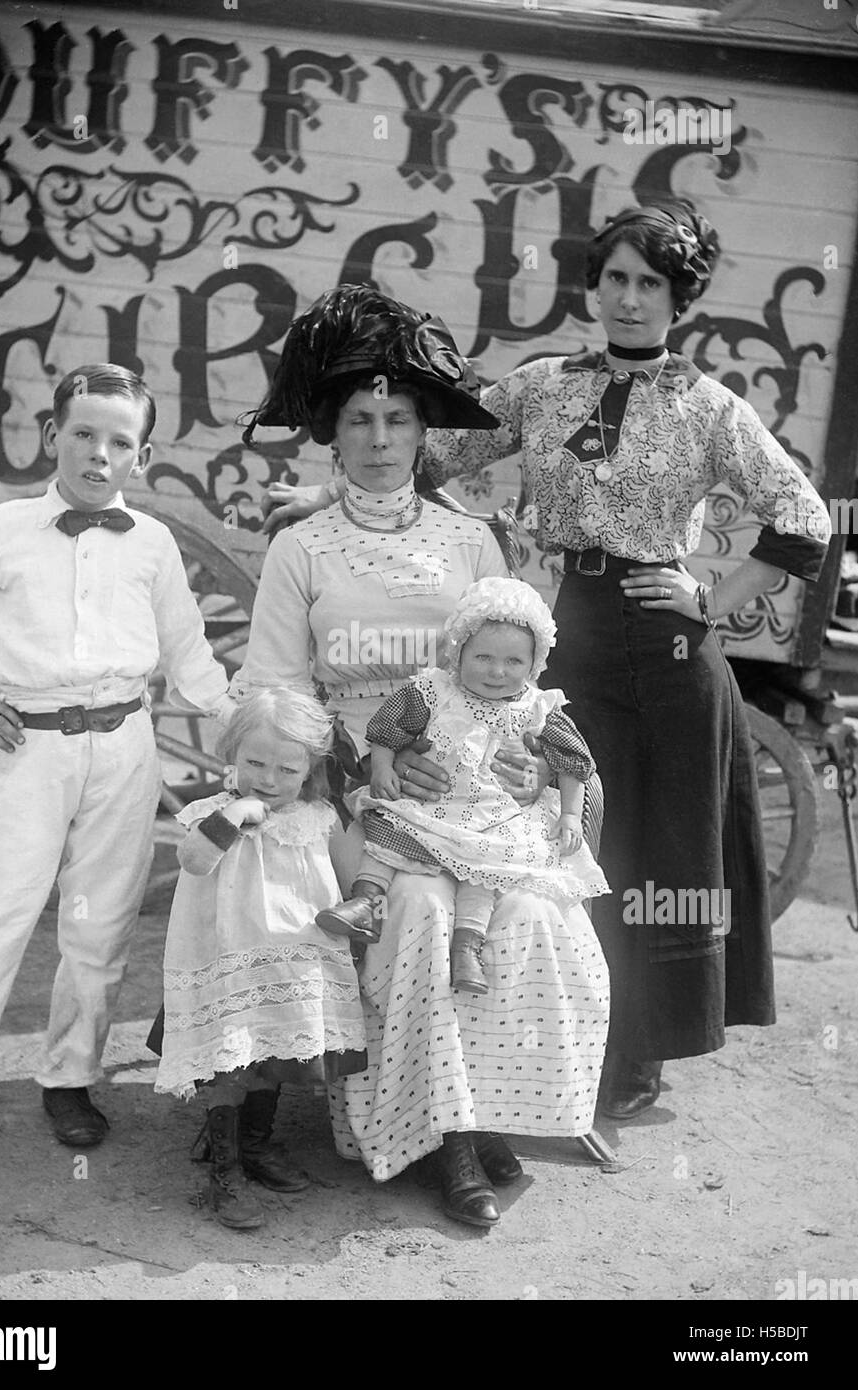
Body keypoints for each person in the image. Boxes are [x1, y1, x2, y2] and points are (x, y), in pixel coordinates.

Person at [265, 204, 832, 1121]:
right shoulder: (542, 386)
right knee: (572, 834)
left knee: (663, 850)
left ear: (678, 296)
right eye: (614, 278)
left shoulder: (708, 405)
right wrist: (326, 494)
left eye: (651, 282)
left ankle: (645, 1051)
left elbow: (801, 516)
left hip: (672, 641)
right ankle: (572, 1032)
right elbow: (424, 455)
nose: (630, 299)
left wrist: (711, 602)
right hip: (573, 632)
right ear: (593, 286)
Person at [235, 285, 610, 1227]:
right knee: (413, 905)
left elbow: (512, 675)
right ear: (332, 432)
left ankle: (481, 1115)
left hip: (478, 786)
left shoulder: (469, 540)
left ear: (419, 432)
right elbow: (273, 694)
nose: (376, 437)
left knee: (528, 904)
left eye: (395, 418)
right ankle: (436, 1142)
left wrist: (527, 767)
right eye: (357, 419)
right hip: (357, 785)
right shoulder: (302, 548)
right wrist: (362, 768)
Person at [0, 363, 235, 1180]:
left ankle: (70, 1078)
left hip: (125, 749)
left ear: (142, 455)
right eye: (82, 434)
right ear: (52, 436)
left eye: (118, 442)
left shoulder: (152, 545)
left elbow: (193, 662)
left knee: (100, 925)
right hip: (30, 750)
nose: (97, 455)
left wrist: (263, 738)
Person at [316, 576, 609, 995]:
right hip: (433, 803)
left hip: (495, 815)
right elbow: (388, 728)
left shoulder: (539, 707)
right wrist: (382, 766)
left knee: (486, 870)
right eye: (483, 657)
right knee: (393, 831)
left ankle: (468, 948)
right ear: (459, 652)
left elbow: (574, 762)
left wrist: (569, 815)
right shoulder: (434, 691)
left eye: (513, 662)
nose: (496, 671)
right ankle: (366, 902)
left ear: (534, 664)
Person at [150, 687, 367, 1230]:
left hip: (289, 962)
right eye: (254, 763)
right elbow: (195, 862)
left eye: (285, 769)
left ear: (311, 768)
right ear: (231, 753)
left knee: (272, 1058)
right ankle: (223, 1165)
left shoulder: (317, 818)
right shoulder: (212, 813)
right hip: (231, 958)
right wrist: (234, 816)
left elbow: (347, 876)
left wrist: (360, 908)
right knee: (232, 1062)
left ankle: (255, 1143)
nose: (268, 780)